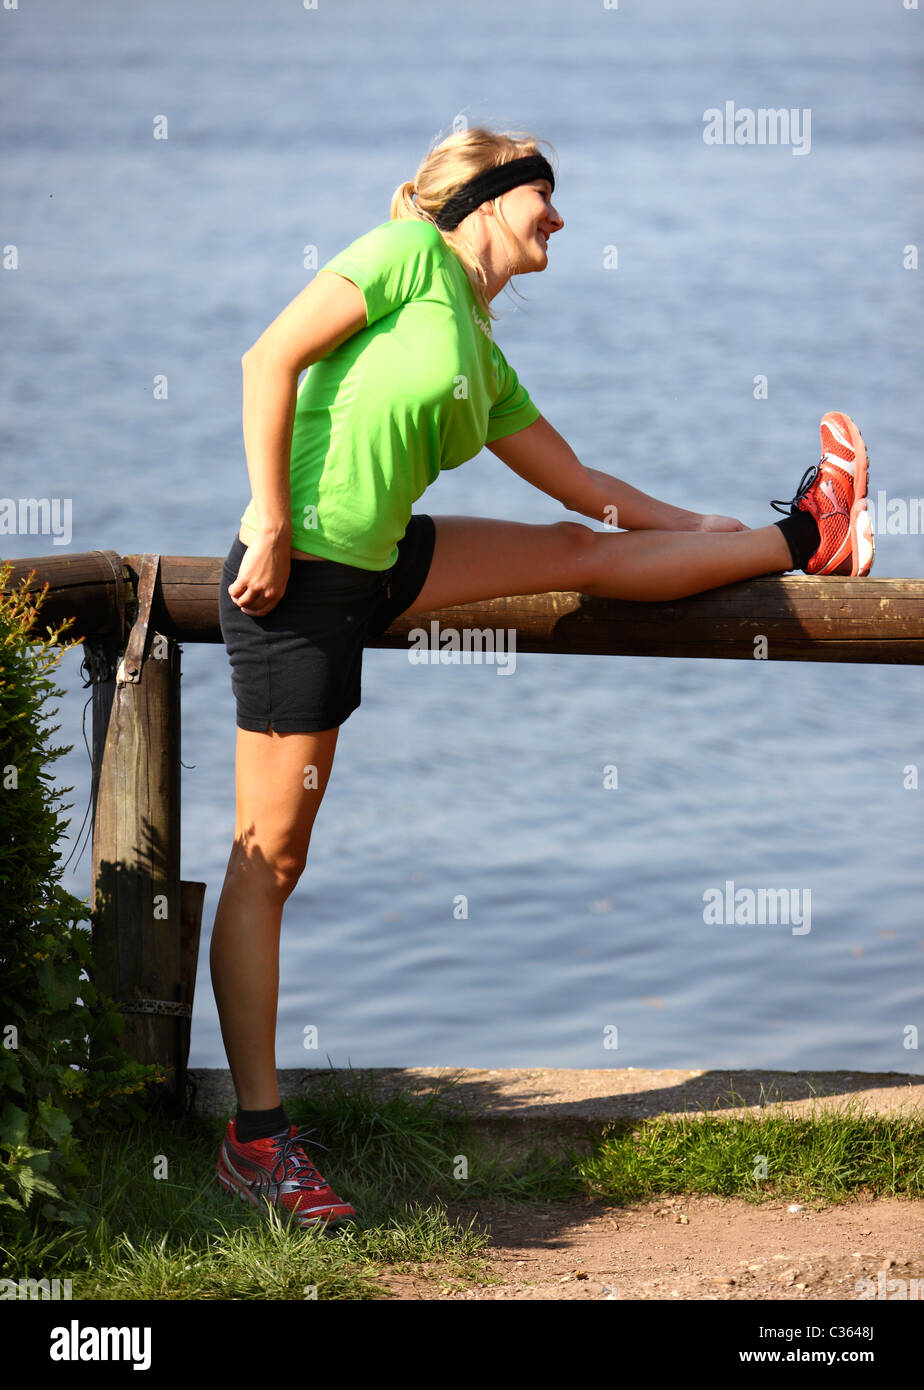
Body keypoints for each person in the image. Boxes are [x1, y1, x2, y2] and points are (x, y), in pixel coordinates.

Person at [210, 124, 874, 1227]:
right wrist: (273, 523)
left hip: (381, 565)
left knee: (578, 556)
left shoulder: (477, 344)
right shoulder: (400, 255)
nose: (560, 219)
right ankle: (256, 1140)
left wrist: (716, 525)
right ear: (482, 197)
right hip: (296, 581)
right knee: (268, 858)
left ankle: (808, 536)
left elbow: (588, 493)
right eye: (544, 200)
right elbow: (265, 360)